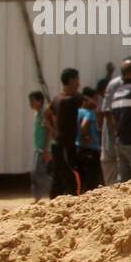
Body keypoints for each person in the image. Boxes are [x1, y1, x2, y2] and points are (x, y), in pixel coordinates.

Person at [44, 68, 83, 198]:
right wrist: (78, 93)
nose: (79, 82)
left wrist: (53, 128)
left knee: (58, 174)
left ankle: (54, 200)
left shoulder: (57, 98)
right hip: (67, 144)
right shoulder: (73, 99)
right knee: (72, 172)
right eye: (77, 79)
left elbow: (46, 114)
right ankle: (73, 199)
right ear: (71, 80)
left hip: (57, 143)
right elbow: (92, 104)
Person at [75, 87, 103, 192]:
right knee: (93, 179)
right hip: (92, 148)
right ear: (87, 100)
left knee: (82, 177)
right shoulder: (89, 113)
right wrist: (87, 136)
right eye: (95, 99)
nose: (96, 102)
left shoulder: (78, 112)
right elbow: (84, 125)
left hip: (80, 147)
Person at [28, 91, 51, 202]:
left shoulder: (43, 113)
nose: (31, 103)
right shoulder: (37, 113)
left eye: (33, 101)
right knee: (34, 174)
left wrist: (46, 149)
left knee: (38, 173)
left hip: (43, 149)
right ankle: (37, 198)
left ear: (40, 101)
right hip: (38, 148)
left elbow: (48, 130)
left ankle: (55, 187)